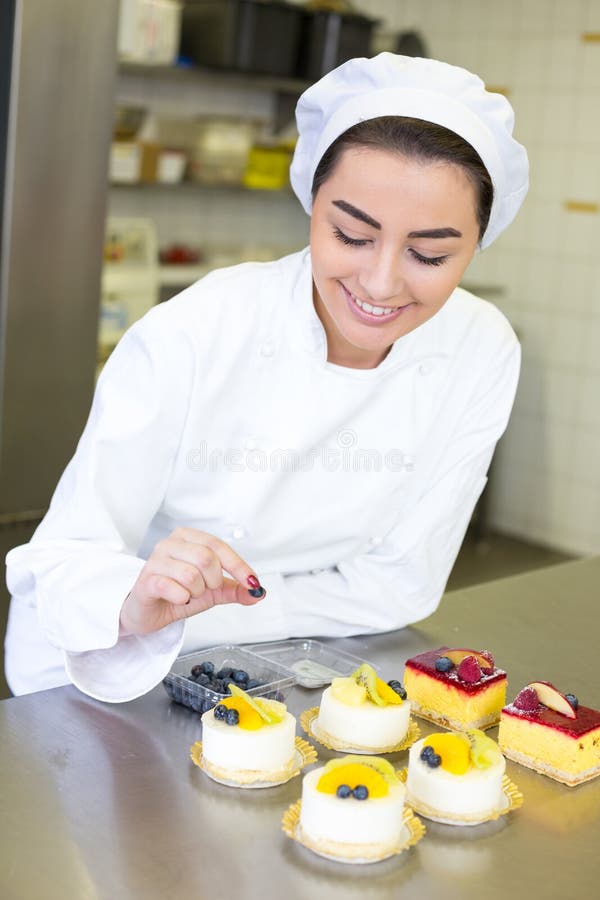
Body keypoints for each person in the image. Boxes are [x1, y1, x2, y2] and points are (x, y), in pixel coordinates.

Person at [5, 53, 528, 701]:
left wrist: (223, 614)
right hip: (104, 670)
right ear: (312, 204)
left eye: (429, 253)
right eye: (351, 234)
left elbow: (402, 584)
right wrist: (136, 602)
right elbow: (63, 561)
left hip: (307, 670)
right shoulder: (199, 329)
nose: (381, 281)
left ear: (478, 242)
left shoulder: (481, 349)